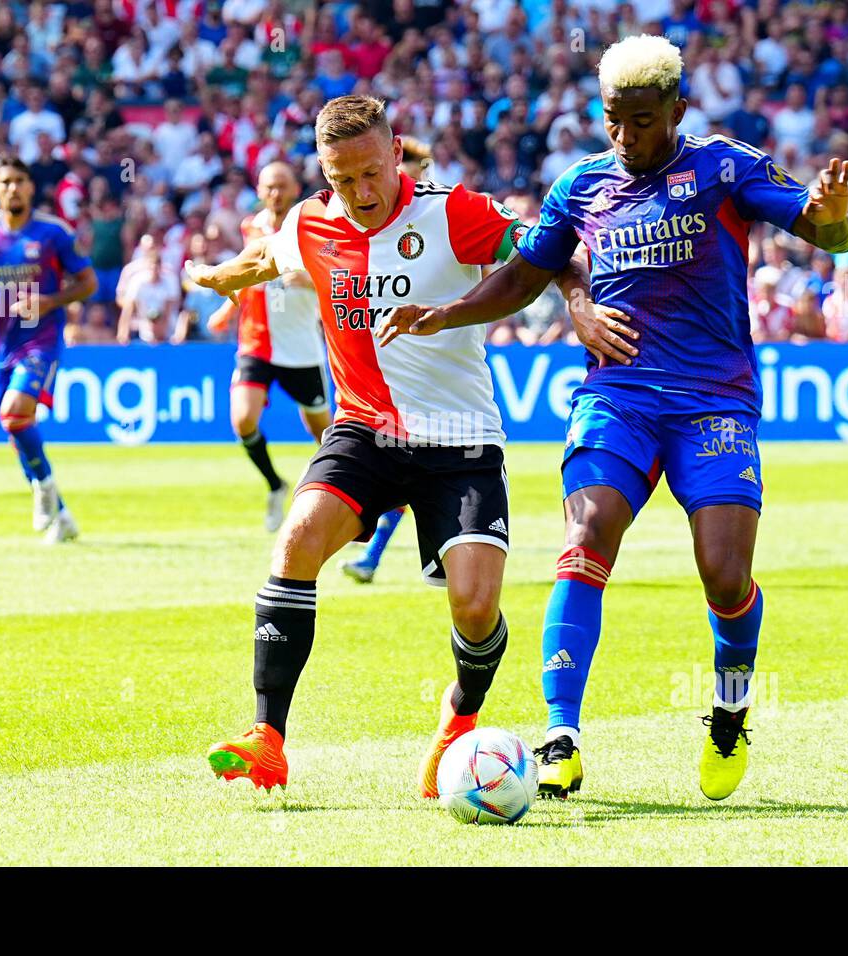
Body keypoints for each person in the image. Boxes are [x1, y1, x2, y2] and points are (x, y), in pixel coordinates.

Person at [378, 35, 848, 802]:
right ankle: (560, 734)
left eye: (641, 121)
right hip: (618, 397)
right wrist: (451, 313)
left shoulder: (723, 166)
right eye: (613, 120)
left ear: (677, 109)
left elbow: (824, 228)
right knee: (586, 532)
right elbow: (526, 272)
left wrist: (836, 224)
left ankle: (731, 711)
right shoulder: (582, 184)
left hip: (713, 400)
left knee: (724, 573)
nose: (625, 137)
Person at [185, 95, 592, 794]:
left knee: (472, 605)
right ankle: (268, 737)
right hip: (364, 429)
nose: (361, 193)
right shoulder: (312, 222)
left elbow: (547, 251)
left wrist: (580, 305)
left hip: (459, 440)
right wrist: (221, 276)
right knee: (296, 545)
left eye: (371, 173)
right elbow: (272, 254)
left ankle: (460, 716)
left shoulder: (454, 212)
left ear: (396, 151)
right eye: (342, 180)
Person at [0, 154, 97, 543]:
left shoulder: (53, 233)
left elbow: (87, 283)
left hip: (41, 339)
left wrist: (50, 302)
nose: (14, 188)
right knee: (14, 428)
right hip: (0, 344)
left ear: (31, 187)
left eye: (21, 180)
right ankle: (61, 514)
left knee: (14, 411)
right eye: (6, 181)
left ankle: (45, 488)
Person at [205, 161, 330, 532]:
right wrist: (227, 308)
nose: (275, 193)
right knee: (243, 420)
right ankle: (276, 485)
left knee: (325, 435)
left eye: (281, 186)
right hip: (255, 342)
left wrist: (305, 280)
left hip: (302, 348)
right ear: (259, 191)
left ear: (295, 189)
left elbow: (336, 275)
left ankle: (345, 499)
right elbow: (249, 276)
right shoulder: (252, 227)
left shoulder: (313, 227)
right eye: (268, 187)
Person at [338, 136, 433, 583]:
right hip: (388, 370)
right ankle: (375, 556)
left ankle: (386, 556)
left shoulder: (438, 217)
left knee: (417, 463)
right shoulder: (376, 226)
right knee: (402, 462)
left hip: (429, 368)